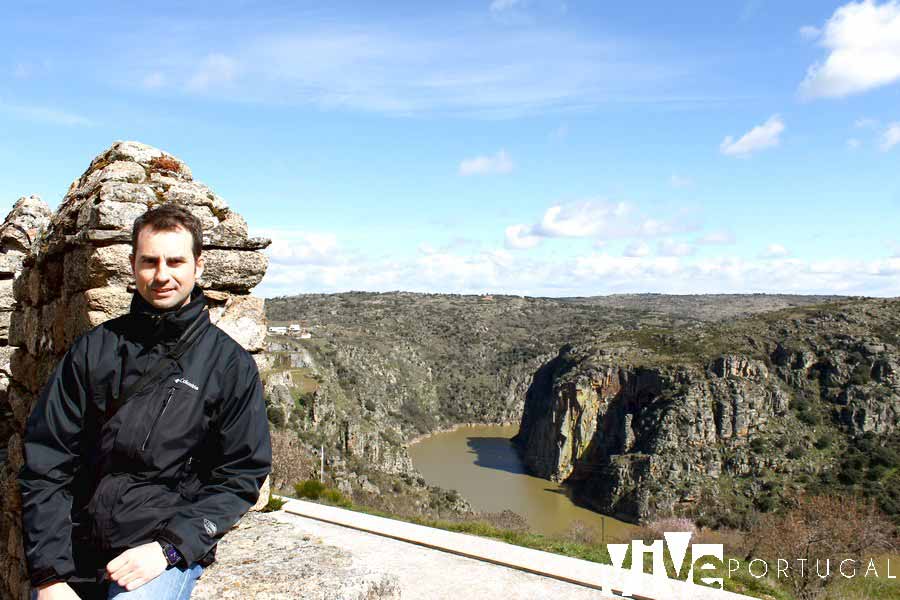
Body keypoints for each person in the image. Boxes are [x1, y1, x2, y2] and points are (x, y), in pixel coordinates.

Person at [17, 203, 273, 599]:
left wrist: (169, 548)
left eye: (175, 261)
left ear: (198, 266)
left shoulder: (228, 366)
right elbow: (47, 460)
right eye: (150, 261)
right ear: (132, 264)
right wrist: (50, 574)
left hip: (159, 549)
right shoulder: (95, 350)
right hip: (76, 546)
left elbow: (240, 476)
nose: (162, 275)